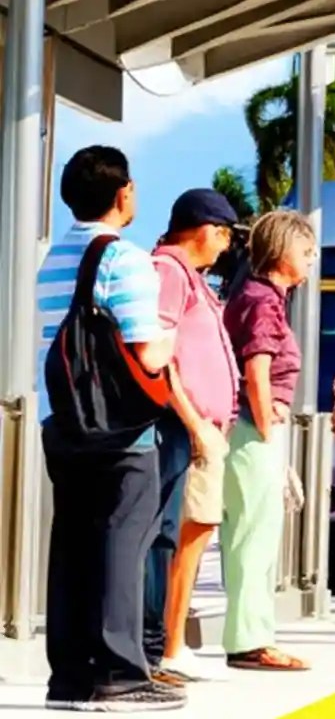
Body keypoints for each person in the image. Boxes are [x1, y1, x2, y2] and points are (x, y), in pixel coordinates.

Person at [36, 145, 185, 711]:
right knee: (124, 540)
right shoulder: (123, 257)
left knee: (72, 542)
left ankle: (70, 679)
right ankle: (121, 673)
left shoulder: (50, 258)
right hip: (120, 429)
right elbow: (148, 355)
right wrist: (172, 337)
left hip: (62, 420)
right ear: (124, 195)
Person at [146, 189, 241, 682]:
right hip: (186, 428)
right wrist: (194, 422)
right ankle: (168, 643)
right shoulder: (168, 273)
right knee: (182, 531)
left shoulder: (190, 278)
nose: (226, 246)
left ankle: (172, 641)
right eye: (225, 234)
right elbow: (159, 358)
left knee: (195, 529)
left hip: (203, 428)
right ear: (206, 229)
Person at [219, 210, 316, 671]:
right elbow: (256, 367)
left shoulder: (256, 295)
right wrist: (266, 426)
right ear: (280, 253)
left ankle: (251, 634)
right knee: (254, 536)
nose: (311, 259)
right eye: (305, 251)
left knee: (251, 533)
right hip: (252, 429)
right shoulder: (264, 300)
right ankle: (250, 640)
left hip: (248, 429)